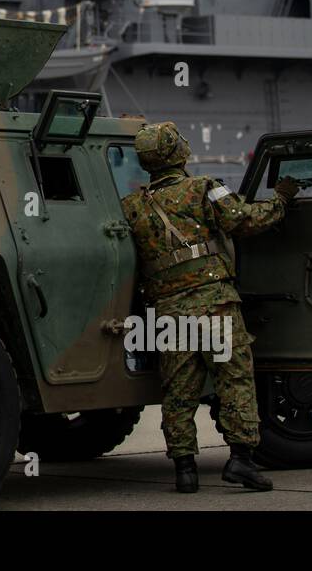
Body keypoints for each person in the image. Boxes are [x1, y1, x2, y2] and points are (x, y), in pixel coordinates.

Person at [119, 121, 299, 494]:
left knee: (178, 391)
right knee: (234, 379)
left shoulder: (132, 206)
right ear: (177, 153)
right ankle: (241, 461)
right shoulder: (204, 189)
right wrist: (281, 198)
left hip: (169, 314)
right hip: (214, 307)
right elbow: (244, 220)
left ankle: (185, 470)